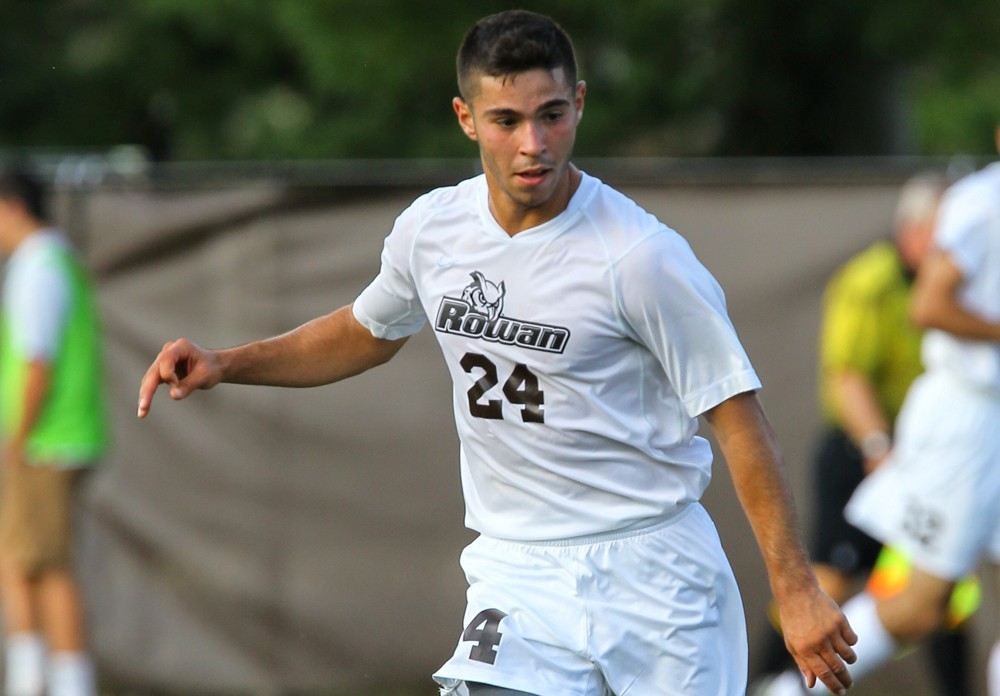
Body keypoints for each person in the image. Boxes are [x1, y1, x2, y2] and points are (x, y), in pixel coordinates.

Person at [137, 11, 857, 695]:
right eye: (507, 120)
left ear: (579, 103)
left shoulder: (642, 258)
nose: (533, 144)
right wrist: (228, 362)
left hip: (655, 571)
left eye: (551, 114)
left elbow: (738, 422)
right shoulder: (432, 230)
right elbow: (365, 332)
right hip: (518, 571)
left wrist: (794, 589)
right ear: (466, 119)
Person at [768, 125, 1000, 695]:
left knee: (942, 605)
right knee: (873, 591)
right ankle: (779, 689)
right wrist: (877, 444)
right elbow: (850, 373)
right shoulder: (977, 207)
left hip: (944, 432)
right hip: (924, 437)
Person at [0, 166, 108, 696]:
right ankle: (36, 680)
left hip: (46, 442)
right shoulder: (54, 259)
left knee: (43, 567)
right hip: (53, 439)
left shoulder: (38, 264)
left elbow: (36, 363)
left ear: (13, 206)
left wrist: (14, 441)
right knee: (23, 563)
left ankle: (60, 685)